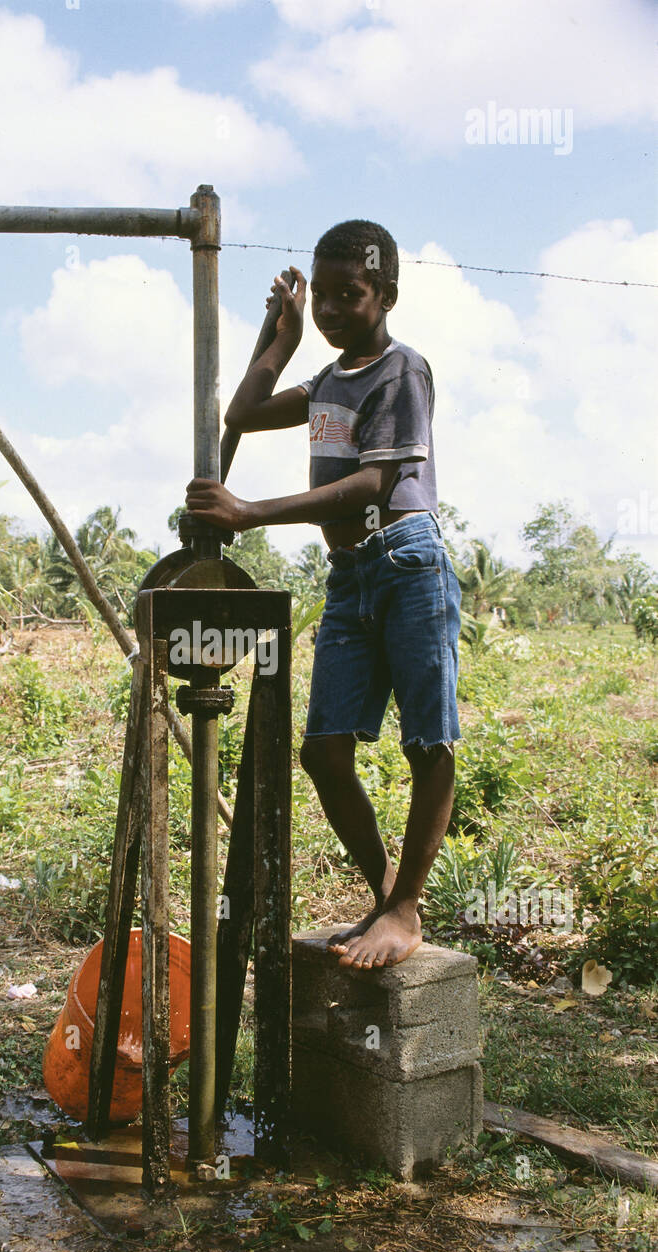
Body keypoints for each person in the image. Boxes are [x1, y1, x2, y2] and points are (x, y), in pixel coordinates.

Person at [185, 220, 461, 970]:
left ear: (387, 295)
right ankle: (390, 899)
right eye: (326, 295)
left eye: (352, 294)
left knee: (428, 742)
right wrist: (285, 337)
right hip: (350, 576)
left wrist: (249, 512)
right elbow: (240, 414)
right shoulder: (326, 384)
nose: (336, 308)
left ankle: (402, 908)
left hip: (405, 563)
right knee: (323, 752)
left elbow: (376, 483)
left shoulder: (402, 371)